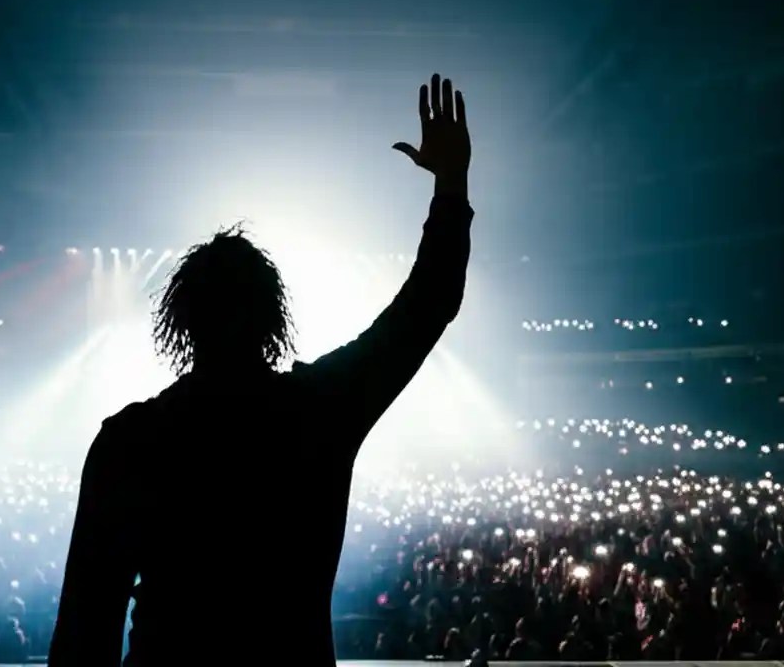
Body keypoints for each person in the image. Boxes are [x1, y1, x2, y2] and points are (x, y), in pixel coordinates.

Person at [50, 73, 474, 666]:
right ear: (271, 318)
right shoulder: (319, 410)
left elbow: (84, 629)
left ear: (182, 322)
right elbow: (425, 307)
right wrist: (450, 185)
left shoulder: (130, 440)